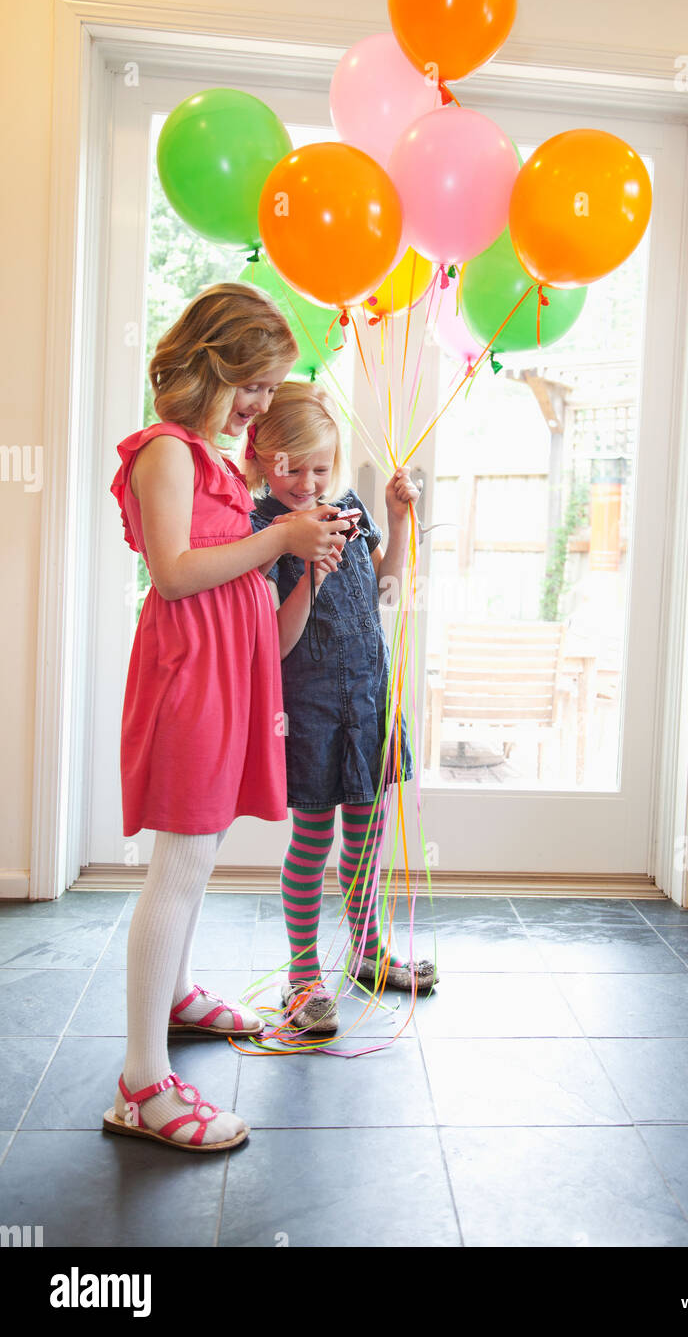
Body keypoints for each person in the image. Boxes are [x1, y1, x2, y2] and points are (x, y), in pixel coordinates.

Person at [102, 283, 348, 1151]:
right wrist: (278, 541)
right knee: (181, 860)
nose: (259, 404)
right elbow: (173, 572)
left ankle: (172, 997)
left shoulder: (213, 457)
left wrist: (302, 544)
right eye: (252, 384)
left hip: (226, 673)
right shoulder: (165, 451)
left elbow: (237, 540)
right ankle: (142, 1085)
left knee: (199, 854)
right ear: (213, 365)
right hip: (188, 679)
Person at [246, 381, 438, 1035]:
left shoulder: (350, 511)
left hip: (368, 702)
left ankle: (368, 953)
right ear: (260, 459)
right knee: (314, 839)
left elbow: (386, 590)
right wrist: (308, 574)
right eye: (289, 467)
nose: (306, 481)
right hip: (312, 713)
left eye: (320, 467)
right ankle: (303, 975)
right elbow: (275, 644)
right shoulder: (263, 532)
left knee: (367, 836)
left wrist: (399, 516)